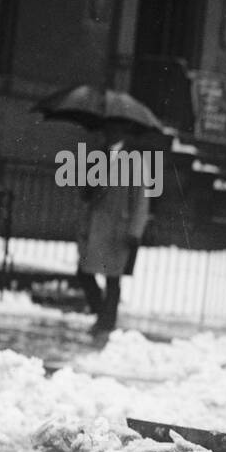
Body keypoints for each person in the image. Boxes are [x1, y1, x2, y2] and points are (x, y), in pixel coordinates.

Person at [76, 122, 150, 336]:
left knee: (113, 279)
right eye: (106, 130)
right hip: (96, 226)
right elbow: (86, 193)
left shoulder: (134, 162)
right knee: (83, 273)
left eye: (112, 130)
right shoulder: (97, 157)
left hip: (119, 228)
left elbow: (141, 200)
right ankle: (102, 314)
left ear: (121, 133)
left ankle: (106, 323)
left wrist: (135, 231)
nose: (107, 134)